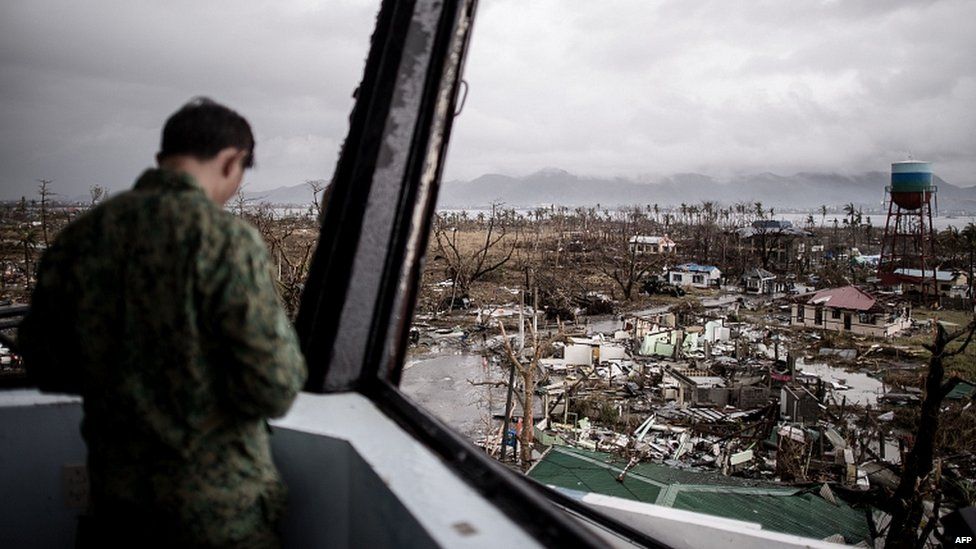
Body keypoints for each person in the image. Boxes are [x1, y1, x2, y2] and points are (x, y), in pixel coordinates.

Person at [18, 97, 307, 548]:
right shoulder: (226, 241)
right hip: (218, 514)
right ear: (231, 161)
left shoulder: (83, 237)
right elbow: (275, 385)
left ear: (162, 158)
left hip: (117, 509)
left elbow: (45, 362)